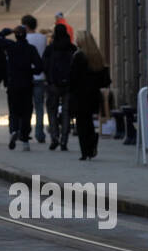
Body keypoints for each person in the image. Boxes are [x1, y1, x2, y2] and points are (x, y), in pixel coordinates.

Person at [0, 25, 43, 150]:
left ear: (15, 35)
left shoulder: (10, 47)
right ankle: (25, 139)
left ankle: (13, 130)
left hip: (13, 83)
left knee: (13, 110)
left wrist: (8, 31)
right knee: (26, 112)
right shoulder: (31, 49)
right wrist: (31, 71)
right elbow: (39, 66)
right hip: (27, 84)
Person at [69, 30, 111, 160]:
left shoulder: (78, 56)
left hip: (80, 95)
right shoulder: (97, 56)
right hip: (93, 95)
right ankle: (92, 142)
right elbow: (105, 80)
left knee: (81, 123)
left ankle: (85, 151)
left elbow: (73, 78)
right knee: (89, 122)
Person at [42, 23, 77, 151]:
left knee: (52, 111)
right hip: (68, 85)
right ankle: (64, 140)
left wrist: (49, 78)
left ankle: (54, 137)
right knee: (67, 112)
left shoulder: (50, 49)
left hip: (53, 85)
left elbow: (44, 66)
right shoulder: (72, 48)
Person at [21, 15, 47, 143]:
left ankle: (25, 131)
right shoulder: (43, 38)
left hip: (26, 76)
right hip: (40, 76)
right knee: (39, 106)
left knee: (26, 106)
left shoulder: (24, 38)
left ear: (25, 26)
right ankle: (40, 132)